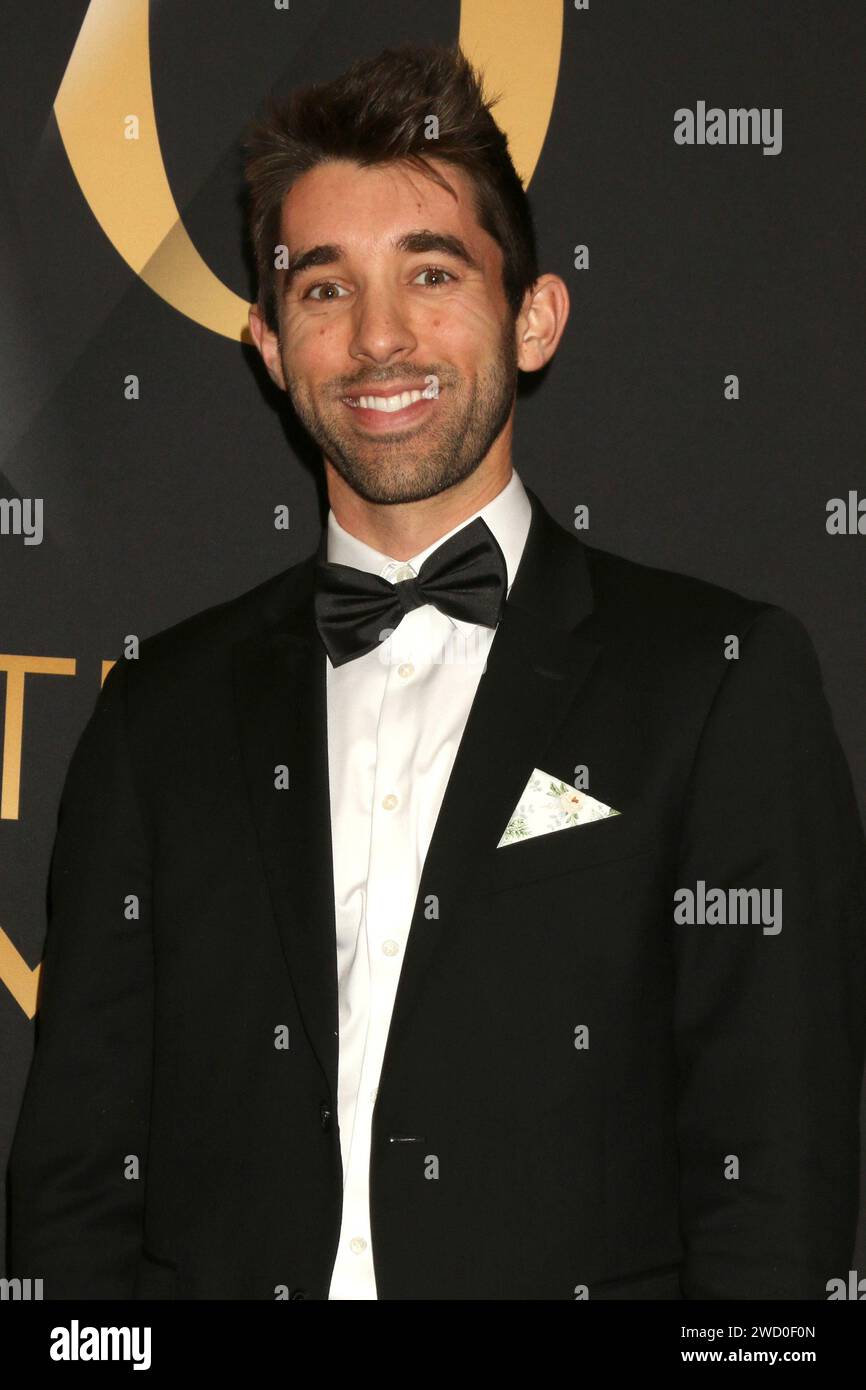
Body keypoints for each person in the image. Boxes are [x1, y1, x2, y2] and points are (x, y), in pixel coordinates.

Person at [7, 42, 866, 1301]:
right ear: (265, 341)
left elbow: (771, 1189)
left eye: (431, 272)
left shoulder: (717, 679)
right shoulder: (160, 713)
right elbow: (75, 1183)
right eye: (322, 289)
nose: (378, 338)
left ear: (532, 318)